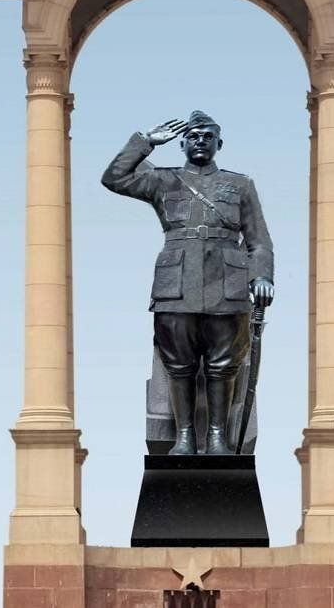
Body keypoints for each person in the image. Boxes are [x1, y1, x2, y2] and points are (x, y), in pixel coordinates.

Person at [102, 110, 274, 455]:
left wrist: (262, 276)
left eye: (208, 136)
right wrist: (145, 142)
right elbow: (114, 178)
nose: (200, 142)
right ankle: (184, 437)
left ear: (219, 143)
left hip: (227, 284)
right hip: (176, 285)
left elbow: (259, 240)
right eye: (193, 136)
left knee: (223, 366)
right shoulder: (163, 180)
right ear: (182, 144)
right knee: (178, 364)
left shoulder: (240, 185)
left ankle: (217, 437)